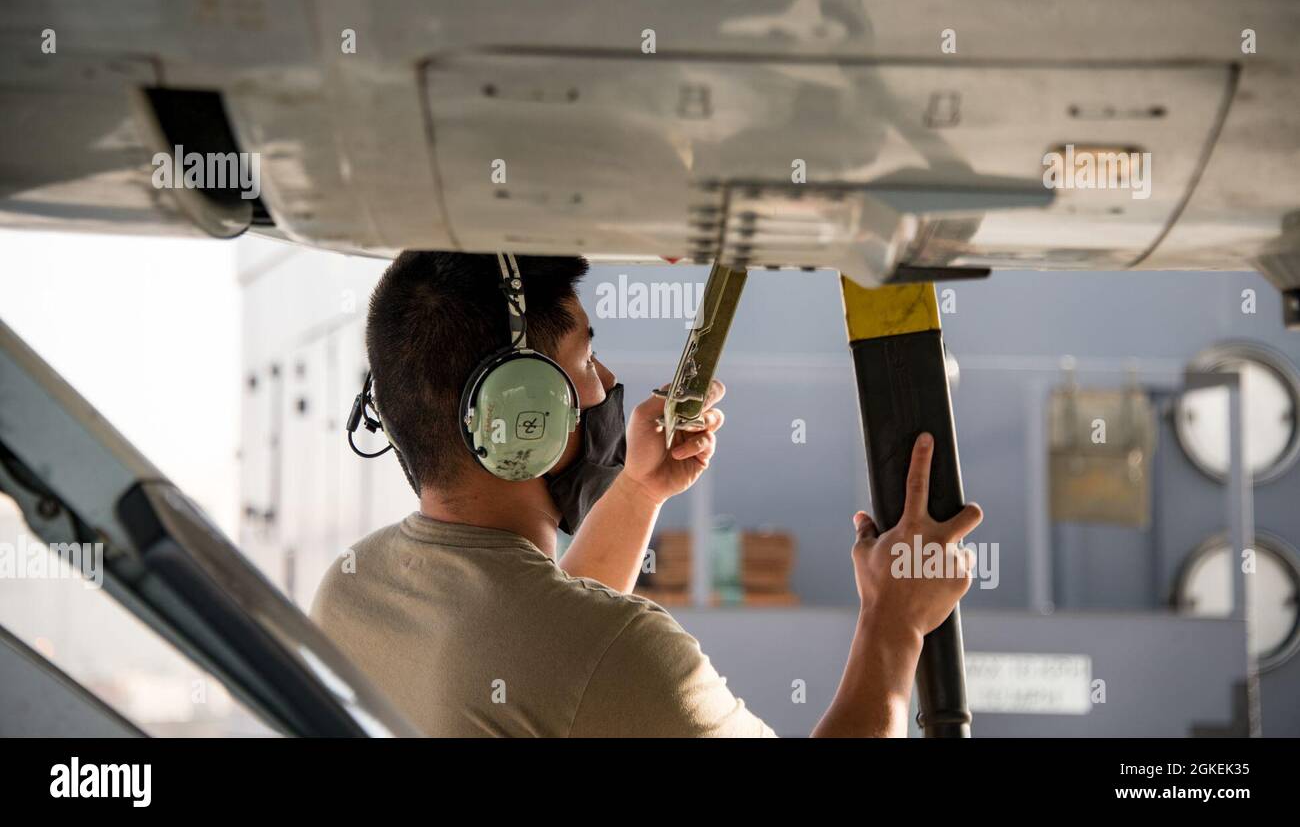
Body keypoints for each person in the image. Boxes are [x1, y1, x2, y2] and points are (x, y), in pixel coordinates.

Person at [311, 251, 982, 736]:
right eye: (582, 360)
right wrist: (894, 622)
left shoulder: (350, 595)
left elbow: (543, 654)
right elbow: (570, 660)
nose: (604, 380)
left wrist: (637, 488)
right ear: (524, 416)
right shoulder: (618, 654)